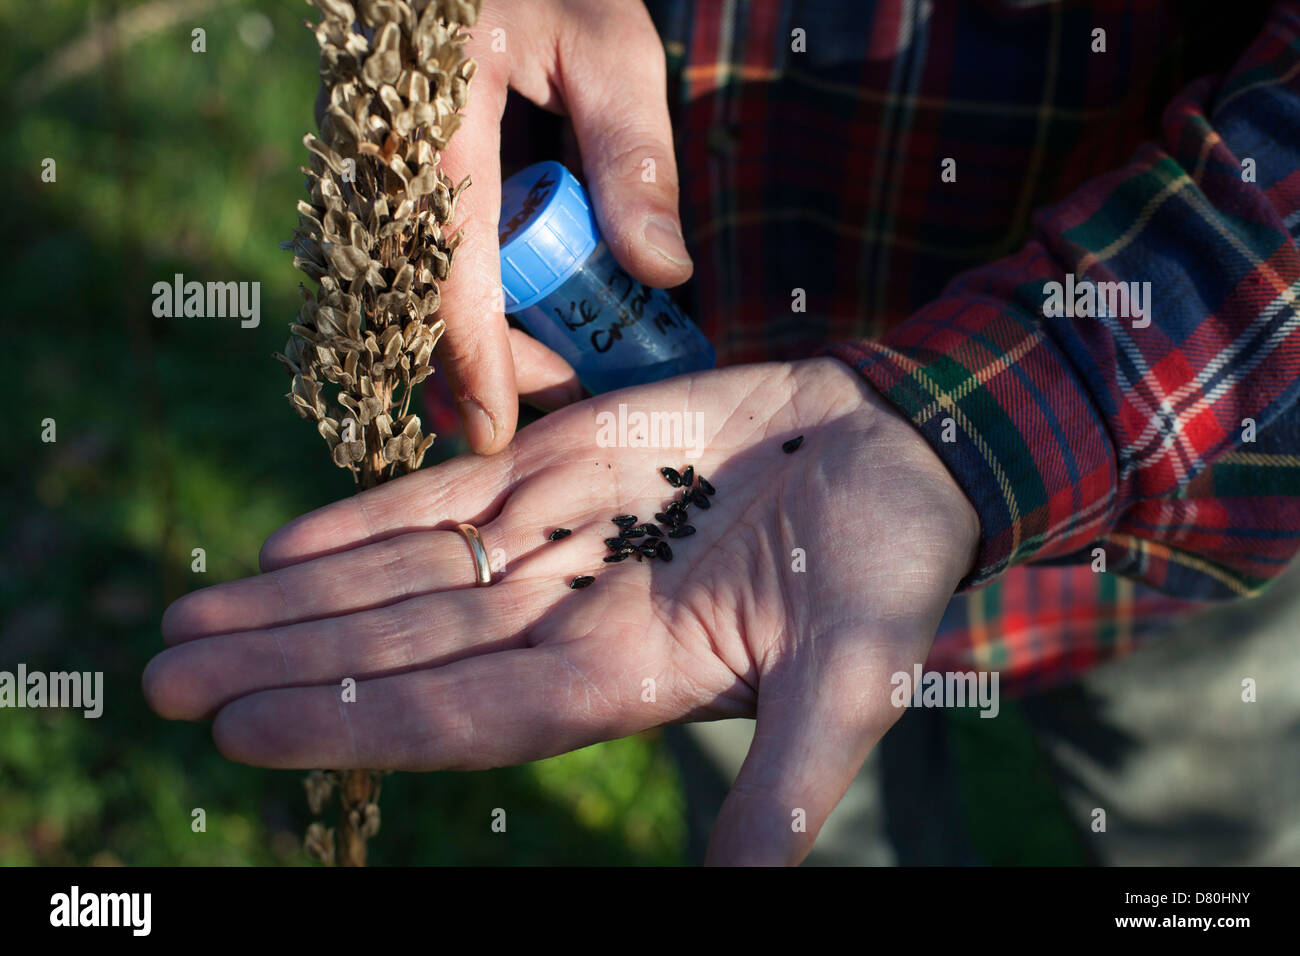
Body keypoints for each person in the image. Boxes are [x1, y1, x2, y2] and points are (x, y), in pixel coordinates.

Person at [143, 0, 1300, 865]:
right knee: (797, 793)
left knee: (1204, 834)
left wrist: (1010, 413)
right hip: (664, 538)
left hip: (1155, 504)